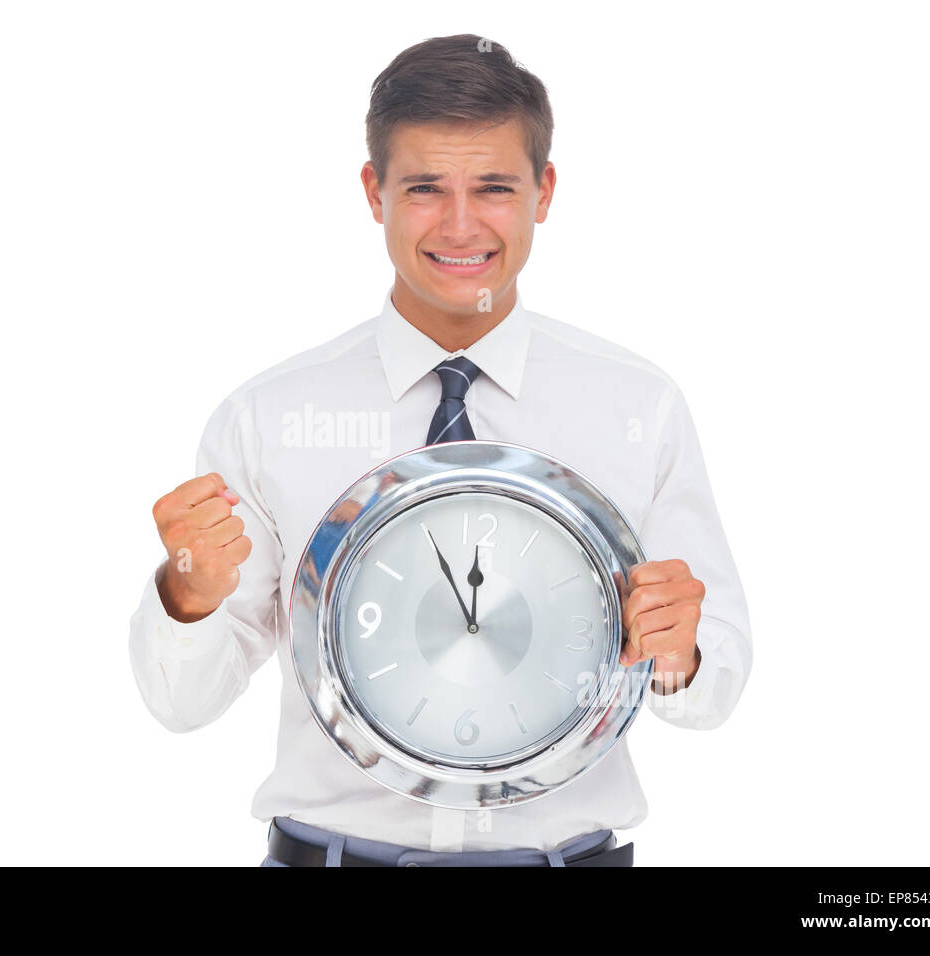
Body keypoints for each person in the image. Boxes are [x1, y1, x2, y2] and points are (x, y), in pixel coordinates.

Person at [128, 33, 752, 867]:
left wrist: (681, 652)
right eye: (425, 188)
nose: (461, 225)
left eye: (494, 186)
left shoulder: (638, 406)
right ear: (373, 192)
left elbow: (708, 693)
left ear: (544, 191)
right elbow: (181, 704)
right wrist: (188, 595)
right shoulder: (270, 415)